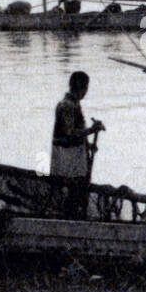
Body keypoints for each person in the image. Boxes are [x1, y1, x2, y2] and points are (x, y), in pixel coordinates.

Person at [50, 70, 104, 216]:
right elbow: (70, 132)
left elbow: (76, 131)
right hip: (67, 158)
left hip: (74, 157)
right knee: (74, 190)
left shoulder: (74, 104)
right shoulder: (67, 105)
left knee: (78, 190)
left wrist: (88, 145)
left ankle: (75, 214)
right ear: (83, 88)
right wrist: (92, 130)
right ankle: (71, 217)